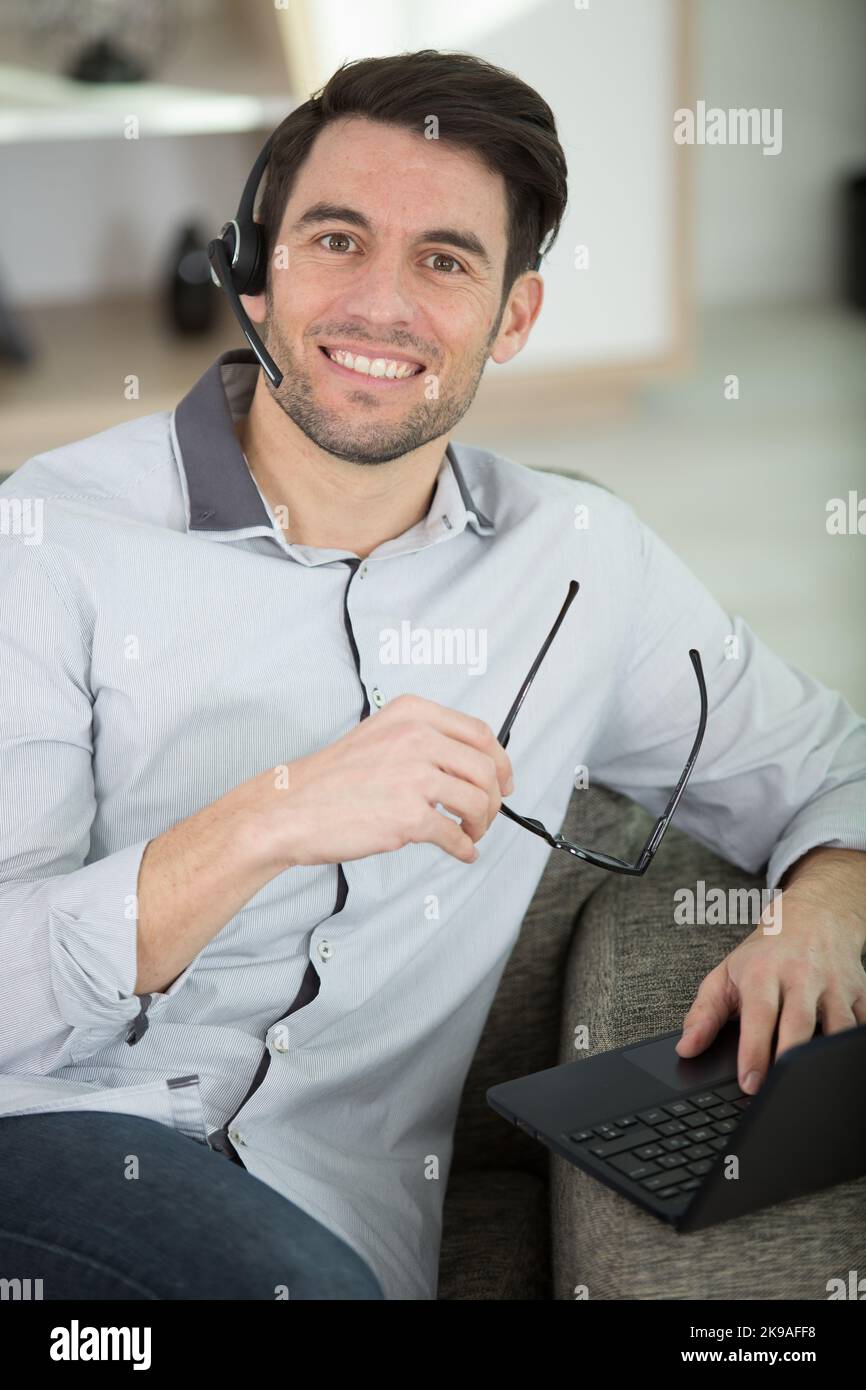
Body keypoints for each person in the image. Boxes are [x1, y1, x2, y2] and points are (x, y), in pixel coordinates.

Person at [0, 50, 864, 1302]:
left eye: (444, 260)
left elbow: (827, 767)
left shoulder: (579, 562)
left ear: (512, 316)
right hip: (45, 1152)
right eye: (336, 239)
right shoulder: (51, 538)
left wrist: (826, 905)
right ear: (256, 263)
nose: (379, 306)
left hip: (330, 1229)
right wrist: (268, 816)